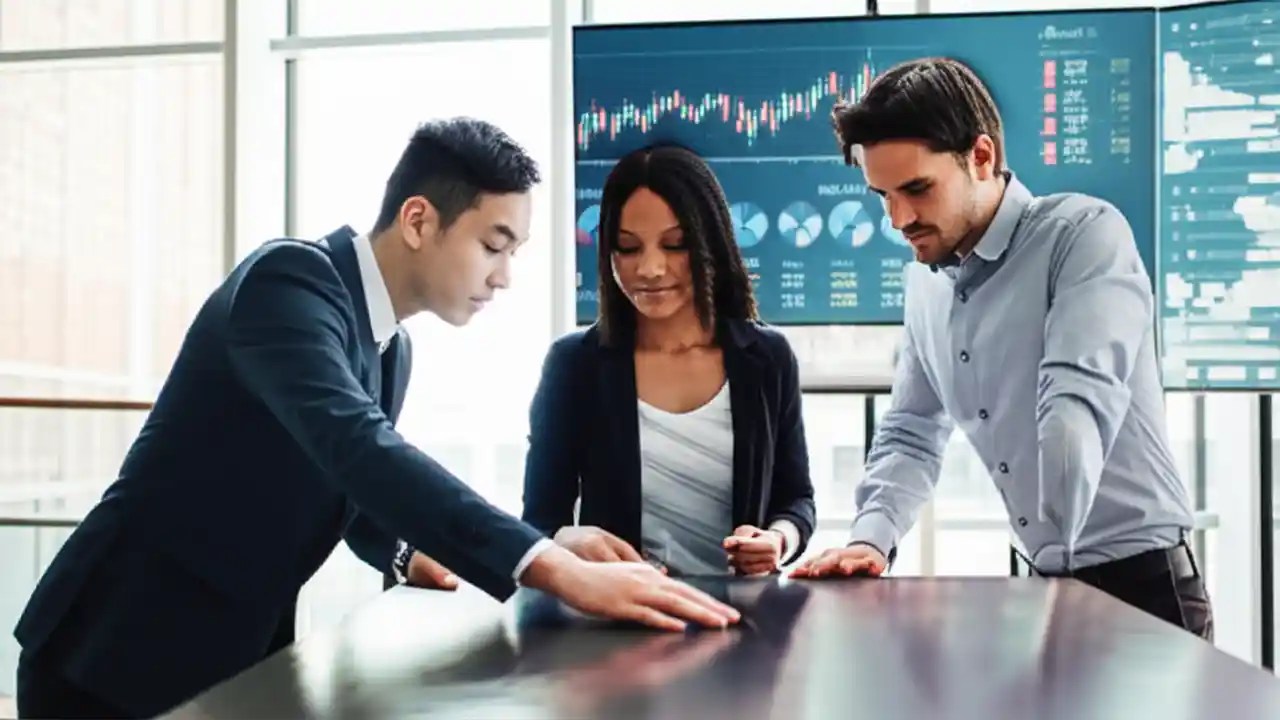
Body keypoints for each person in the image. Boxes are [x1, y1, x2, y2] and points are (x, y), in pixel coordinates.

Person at [13, 118, 739, 719]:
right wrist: (548, 566)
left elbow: (347, 485)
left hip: (228, 661)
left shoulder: (393, 348)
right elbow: (356, 447)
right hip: (112, 654)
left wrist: (405, 554)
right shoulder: (288, 283)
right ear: (419, 220)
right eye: (493, 246)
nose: (503, 276)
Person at [790, 58, 1213, 639]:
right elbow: (912, 430)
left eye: (917, 189)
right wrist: (871, 539)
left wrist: (1062, 573)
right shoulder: (925, 284)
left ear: (982, 157)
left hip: (1141, 588)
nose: (899, 219)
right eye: (882, 196)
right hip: (1039, 587)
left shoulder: (1082, 234)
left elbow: (1075, 401)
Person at [521, 144, 816, 578]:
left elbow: (796, 500)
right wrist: (569, 540)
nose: (651, 268)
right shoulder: (575, 364)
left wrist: (778, 540)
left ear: (710, 243)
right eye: (628, 247)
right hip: (621, 610)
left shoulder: (767, 358)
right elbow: (539, 522)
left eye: (675, 244)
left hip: (743, 610)